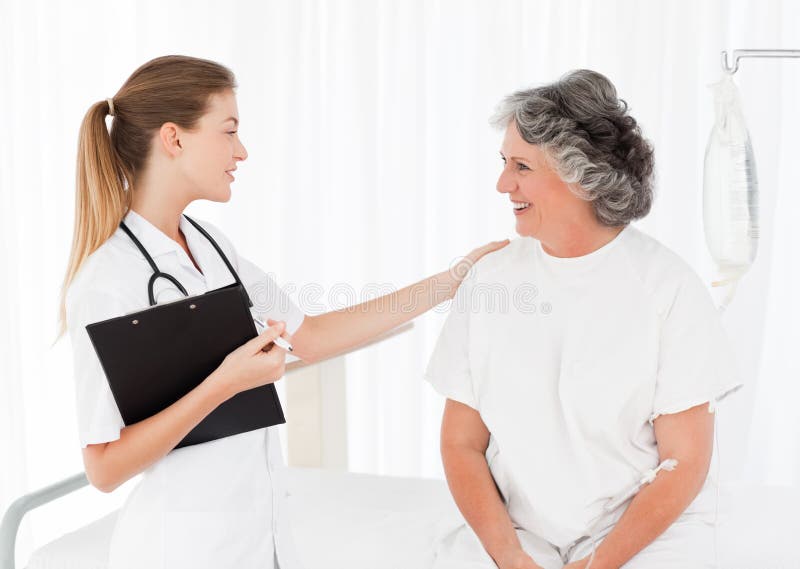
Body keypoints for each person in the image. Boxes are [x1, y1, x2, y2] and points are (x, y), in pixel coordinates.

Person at [58, 54, 508, 569]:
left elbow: (311, 335)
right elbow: (103, 467)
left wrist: (449, 283)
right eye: (229, 131)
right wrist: (225, 383)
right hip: (180, 550)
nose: (241, 151)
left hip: (257, 541)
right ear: (174, 139)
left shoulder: (210, 247)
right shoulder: (106, 281)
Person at [425, 69, 744, 569]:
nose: (502, 183)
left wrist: (598, 564)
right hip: (519, 536)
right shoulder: (490, 283)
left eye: (522, 167)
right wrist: (508, 554)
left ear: (581, 176)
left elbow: (684, 462)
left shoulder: (667, 288)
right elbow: (461, 442)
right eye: (504, 162)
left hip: (642, 538)